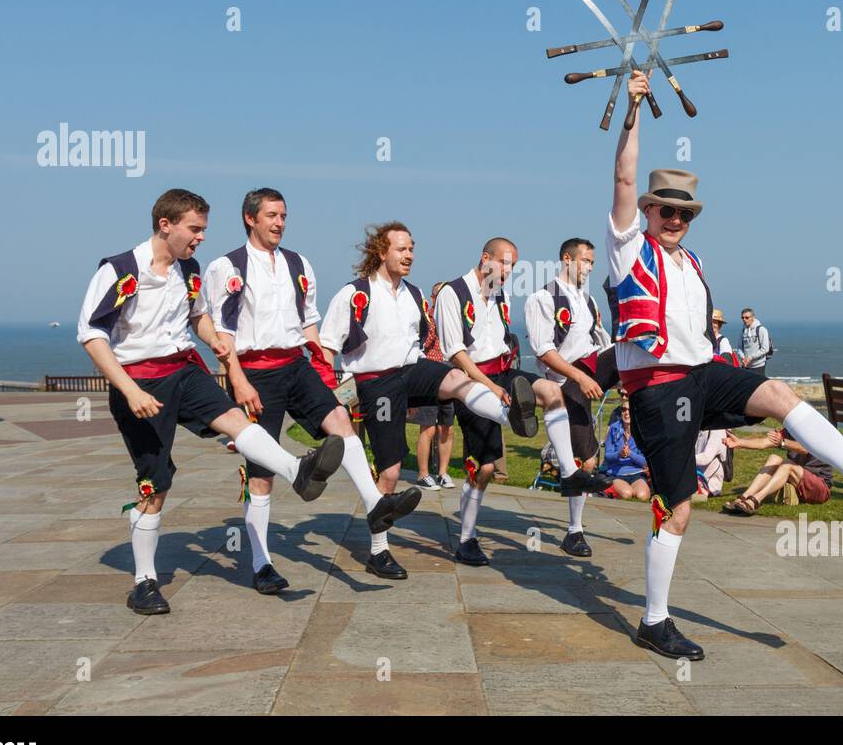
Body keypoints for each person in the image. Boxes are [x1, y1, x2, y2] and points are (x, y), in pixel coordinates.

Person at [607, 69, 843, 661]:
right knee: (677, 509)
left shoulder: (691, 262)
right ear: (648, 211)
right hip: (658, 387)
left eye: (685, 214)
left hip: (702, 373)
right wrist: (631, 113)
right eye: (666, 211)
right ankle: (654, 620)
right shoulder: (630, 246)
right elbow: (624, 175)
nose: (676, 220)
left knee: (780, 393)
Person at [77, 189, 333, 616]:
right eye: (194, 230)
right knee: (155, 485)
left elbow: (196, 314)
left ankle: (296, 471)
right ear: (166, 225)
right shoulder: (120, 270)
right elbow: (92, 334)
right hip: (140, 383)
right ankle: (144, 582)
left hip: (183, 370)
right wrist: (130, 390)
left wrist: (213, 338)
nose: (200, 239)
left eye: (203, 231)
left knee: (237, 418)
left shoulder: (189, 270)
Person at [204, 188, 394, 594]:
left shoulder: (298, 263)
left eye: (283, 216)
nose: (279, 223)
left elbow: (309, 322)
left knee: (340, 421)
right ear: (249, 218)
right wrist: (236, 379)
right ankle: (261, 564)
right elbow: (221, 331)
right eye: (271, 215)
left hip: (296, 364)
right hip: (254, 370)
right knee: (262, 475)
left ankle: (376, 505)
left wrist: (325, 372)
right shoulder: (226, 267)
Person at [320, 223, 535, 579]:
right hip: (377, 382)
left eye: (412, 249)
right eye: (402, 249)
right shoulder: (355, 294)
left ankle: (508, 413)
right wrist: (330, 392)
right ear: (380, 252)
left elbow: (422, 341)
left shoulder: (414, 293)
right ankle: (379, 552)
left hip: (412, 369)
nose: (409, 256)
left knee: (455, 378)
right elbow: (328, 344)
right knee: (389, 472)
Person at [437, 236, 599, 566]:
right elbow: (455, 353)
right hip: (470, 381)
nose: (510, 271)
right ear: (486, 259)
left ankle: (569, 471)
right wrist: (488, 385)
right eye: (505, 263)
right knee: (482, 468)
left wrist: (504, 380)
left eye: (513, 265)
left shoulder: (501, 294)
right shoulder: (452, 293)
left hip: (503, 372)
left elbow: (500, 341)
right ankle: (466, 539)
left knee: (552, 392)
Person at [523, 236, 619, 557]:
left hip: (591, 370)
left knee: (628, 350)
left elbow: (600, 343)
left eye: (593, 262)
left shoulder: (588, 301)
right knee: (586, 457)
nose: (590, 268)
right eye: (586, 261)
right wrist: (579, 376)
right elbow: (544, 351)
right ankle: (574, 531)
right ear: (567, 258)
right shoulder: (542, 298)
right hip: (566, 381)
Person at [720, 428, 832, 515]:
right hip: (799, 480)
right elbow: (764, 442)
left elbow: (805, 448)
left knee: (788, 465)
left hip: (820, 488)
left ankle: (756, 500)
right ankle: (744, 497)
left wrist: (782, 442)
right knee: (774, 458)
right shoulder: (790, 429)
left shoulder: (814, 430)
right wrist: (740, 442)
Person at [411, 281, 456, 491]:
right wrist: (435, 323)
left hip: (447, 374)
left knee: (447, 427)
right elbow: (423, 343)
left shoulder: (451, 318)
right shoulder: (426, 317)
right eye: (440, 296)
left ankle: (443, 473)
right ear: (433, 298)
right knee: (428, 427)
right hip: (429, 373)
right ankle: (423, 474)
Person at [601, 400, 650, 500]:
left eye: (629, 409)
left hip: (636, 473)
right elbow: (607, 456)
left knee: (642, 496)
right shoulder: (614, 428)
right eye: (623, 409)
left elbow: (645, 461)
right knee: (626, 494)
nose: (626, 412)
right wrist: (620, 454)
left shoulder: (642, 430)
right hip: (616, 473)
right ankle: (610, 493)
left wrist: (630, 454)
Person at [738, 307, 771, 376]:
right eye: (742, 318)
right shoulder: (743, 330)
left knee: (759, 386)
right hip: (746, 365)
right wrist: (743, 358)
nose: (744, 320)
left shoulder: (761, 330)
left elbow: (765, 348)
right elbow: (739, 347)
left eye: (747, 317)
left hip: (758, 366)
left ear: (753, 317)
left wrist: (750, 357)